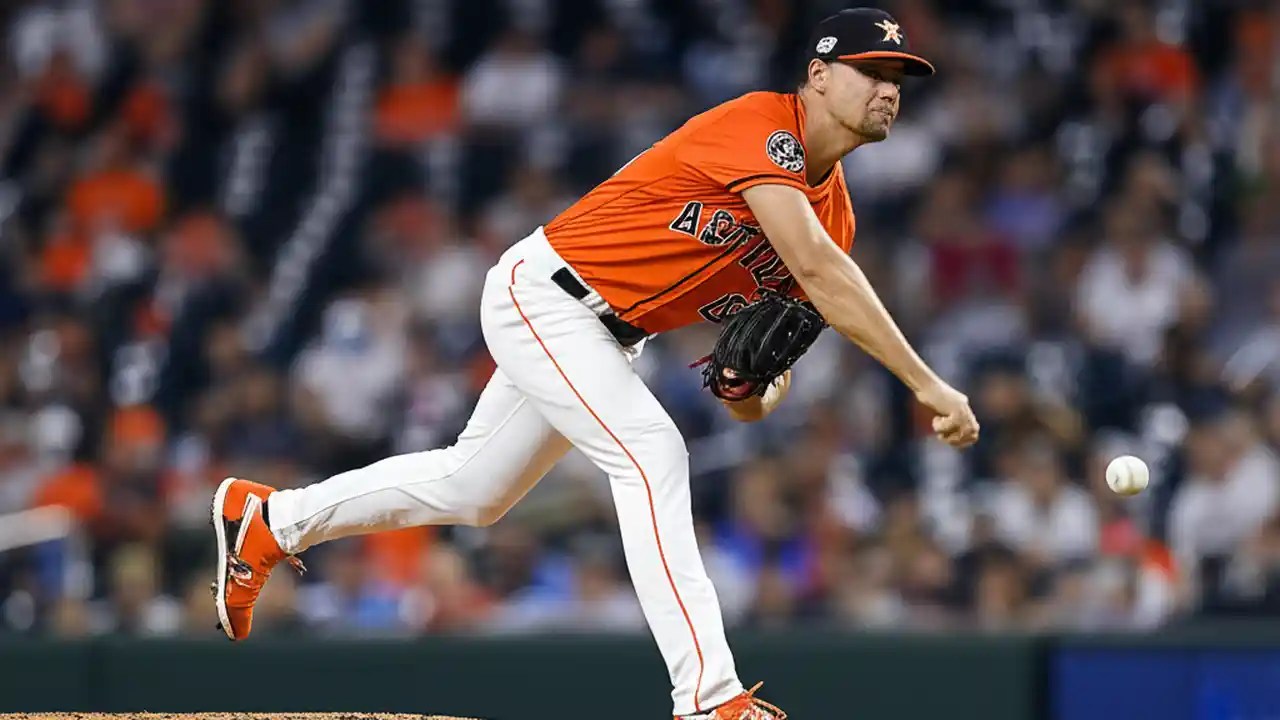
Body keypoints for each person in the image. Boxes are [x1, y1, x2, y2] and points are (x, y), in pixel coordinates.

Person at [211, 9, 979, 719]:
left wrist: (752, 386)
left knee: (473, 489)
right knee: (652, 452)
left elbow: (756, 391)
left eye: (899, 78)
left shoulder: (834, 216)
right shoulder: (761, 124)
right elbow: (815, 269)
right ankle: (710, 696)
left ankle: (270, 520)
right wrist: (927, 383)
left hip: (606, 335)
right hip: (545, 295)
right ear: (817, 76)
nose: (888, 90)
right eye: (872, 71)